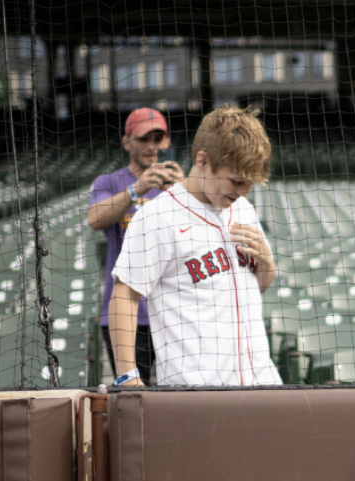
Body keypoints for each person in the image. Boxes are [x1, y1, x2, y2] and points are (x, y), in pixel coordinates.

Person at [107, 105, 282, 387]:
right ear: (202, 160)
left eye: (249, 184)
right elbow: (125, 295)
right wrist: (128, 376)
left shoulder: (244, 209)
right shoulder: (157, 217)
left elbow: (257, 285)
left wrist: (267, 264)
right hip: (197, 391)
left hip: (262, 382)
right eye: (236, 181)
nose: (242, 193)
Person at [87, 107, 185, 385]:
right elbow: (94, 219)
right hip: (127, 313)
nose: (152, 146)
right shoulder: (109, 182)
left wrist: (185, 190)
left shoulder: (181, 182)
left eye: (159, 138)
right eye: (144, 139)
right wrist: (136, 190)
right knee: (133, 395)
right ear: (127, 141)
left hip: (172, 311)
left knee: (178, 393)